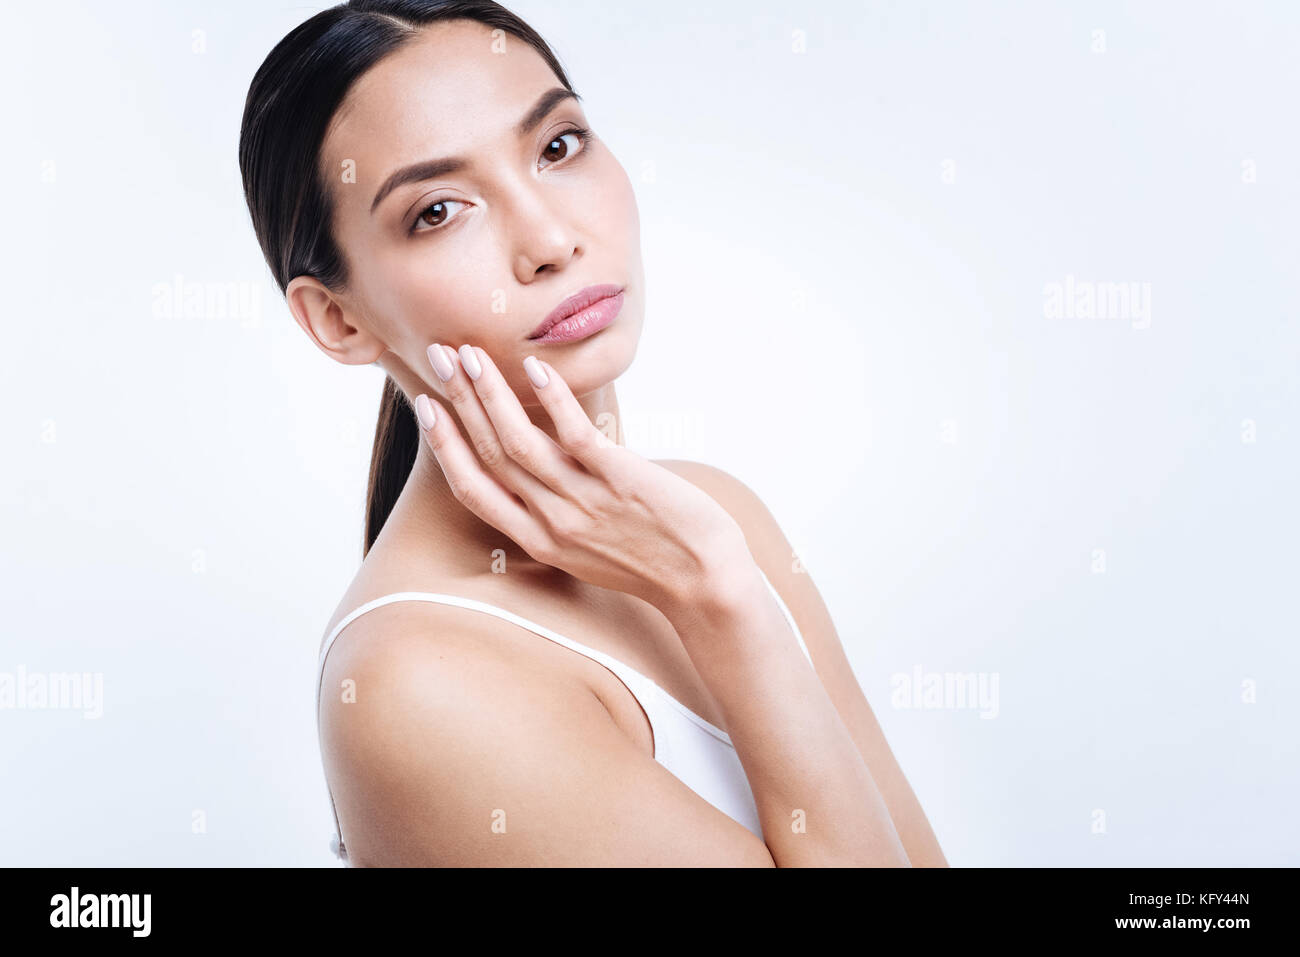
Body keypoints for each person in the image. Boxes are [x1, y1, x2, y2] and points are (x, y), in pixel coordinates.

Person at [239, 0, 947, 867]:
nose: (548, 240)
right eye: (439, 210)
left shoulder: (715, 517)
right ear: (339, 321)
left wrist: (718, 581)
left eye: (557, 146)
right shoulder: (414, 681)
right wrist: (717, 601)